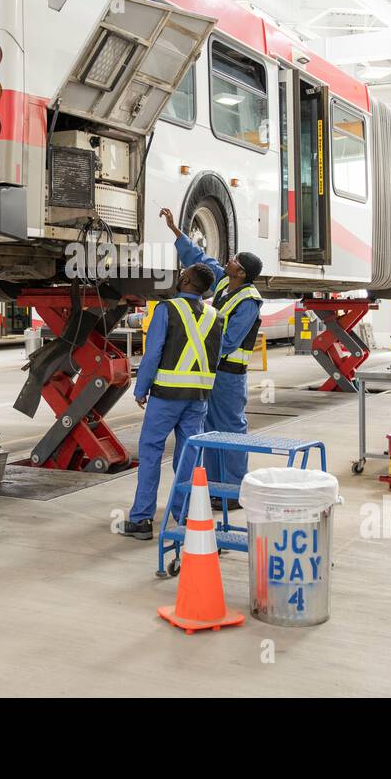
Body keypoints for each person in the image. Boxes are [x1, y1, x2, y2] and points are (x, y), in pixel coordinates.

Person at [159, 207, 264, 504]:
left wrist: (196, 348)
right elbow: (199, 260)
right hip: (212, 373)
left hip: (229, 377)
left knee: (230, 430)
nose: (227, 261)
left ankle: (233, 491)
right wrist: (175, 231)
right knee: (211, 430)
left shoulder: (249, 301)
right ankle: (217, 489)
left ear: (241, 273)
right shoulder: (221, 282)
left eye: (234, 261)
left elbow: (229, 341)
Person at [121, 262, 223, 540]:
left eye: (183, 273)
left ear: (187, 280)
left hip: (166, 396)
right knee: (189, 456)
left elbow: (153, 353)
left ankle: (142, 520)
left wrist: (140, 388)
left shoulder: (166, 309)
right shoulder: (216, 316)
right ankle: (186, 515)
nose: (179, 275)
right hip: (198, 398)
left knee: (151, 452)